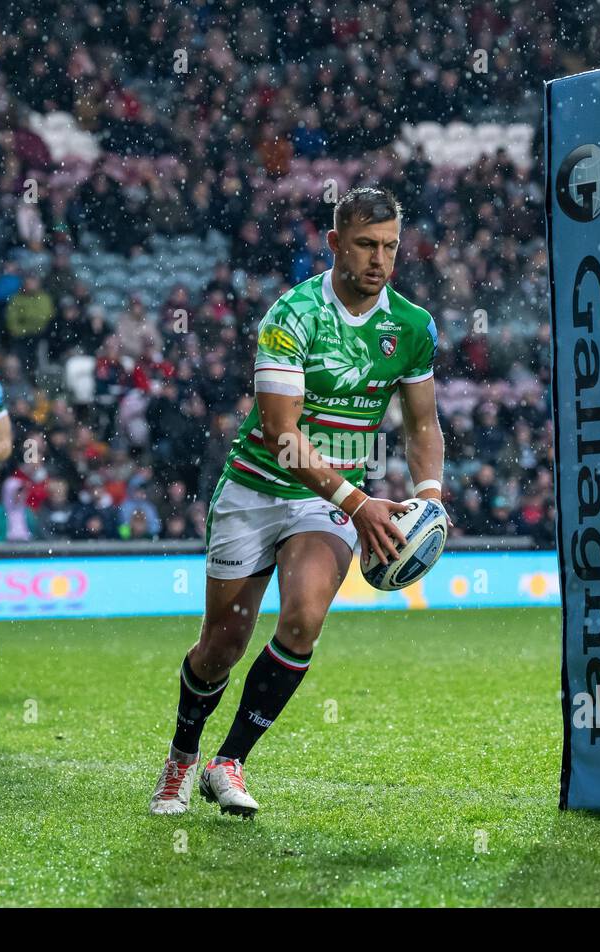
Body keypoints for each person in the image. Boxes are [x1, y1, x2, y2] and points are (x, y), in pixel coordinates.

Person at [147, 187, 445, 818]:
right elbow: (283, 435)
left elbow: (423, 424)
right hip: (257, 488)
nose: (379, 260)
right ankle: (181, 756)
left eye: (390, 247)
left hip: (328, 503)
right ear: (334, 243)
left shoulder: (413, 327)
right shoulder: (293, 315)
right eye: (365, 245)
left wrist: (429, 498)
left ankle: (228, 763)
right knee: (222, 646)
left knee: (304, 619)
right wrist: (359, 502)